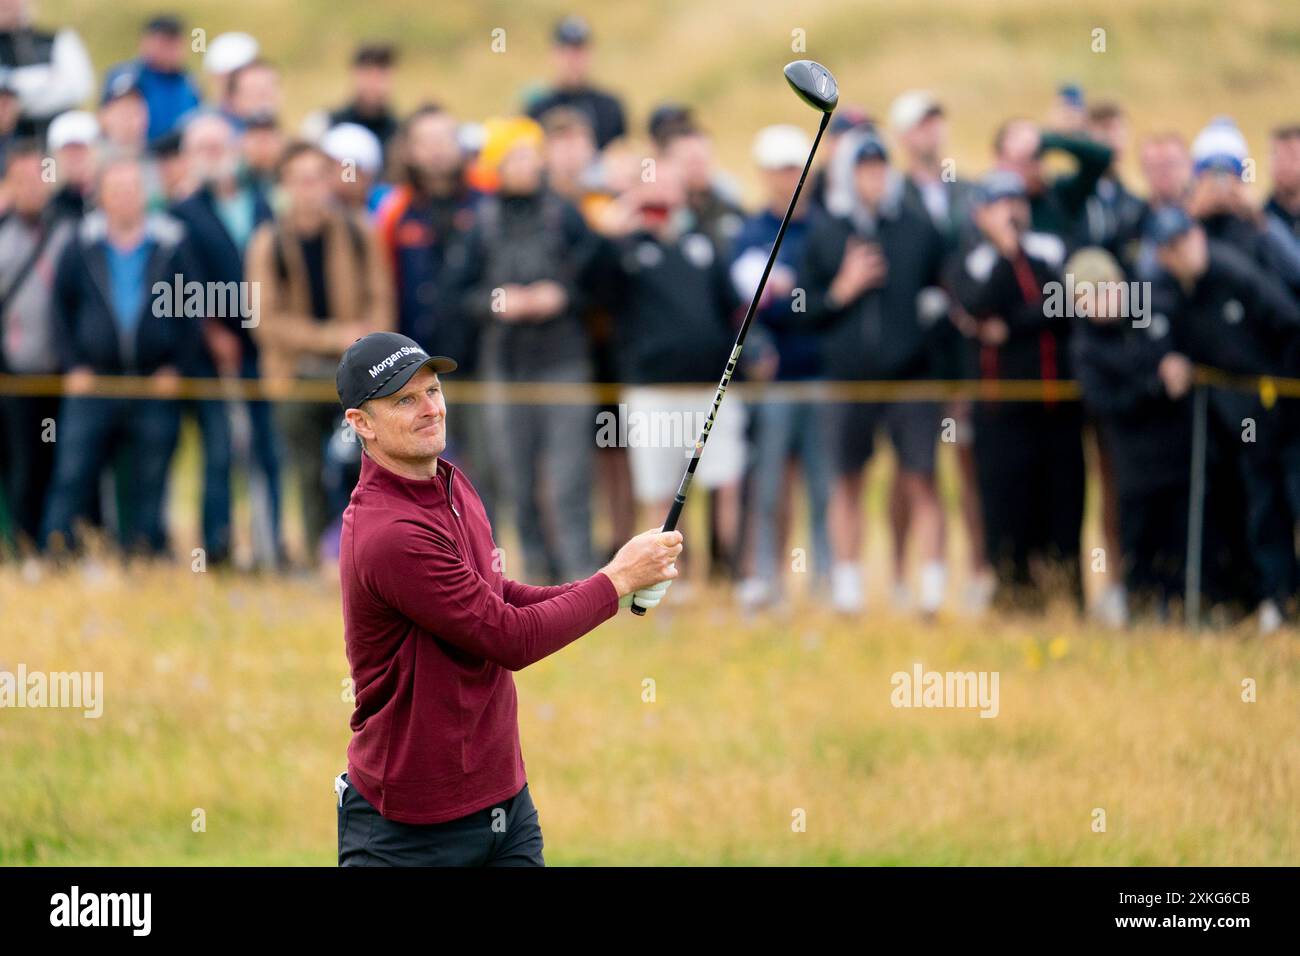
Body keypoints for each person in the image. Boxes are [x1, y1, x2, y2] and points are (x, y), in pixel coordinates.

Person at [333, 331, 679, 866]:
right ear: (361, 424)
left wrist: (618, 583)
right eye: (405, 400)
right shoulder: (389, 532)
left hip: (504, 806)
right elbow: (507, 637)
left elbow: (496, 596)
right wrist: (614, 581)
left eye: (433, 391)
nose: (430, 409)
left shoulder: (452, 484)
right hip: (408, 830)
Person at [800, 131, 948, 615]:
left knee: (921, 478)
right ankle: (848, 585)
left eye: (881, 168)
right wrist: (842, 290)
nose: (874, 178)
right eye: (864, 169)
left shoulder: (916, 226)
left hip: (912, 378)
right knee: (847, 480)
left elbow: (945, 294)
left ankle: (927, 586)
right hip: (848, 379)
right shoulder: (826, 232)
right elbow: (802, 309)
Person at [449, 116, 601, 584]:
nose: (525, 165)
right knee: (515, 479)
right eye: (513, 156)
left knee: (569, 478)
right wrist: (500, 303)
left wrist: (563, 296)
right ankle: (534, 572)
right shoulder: (481, 224)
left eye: (530, 155)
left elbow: (600, 278)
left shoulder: (567, 215)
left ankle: (579, 574)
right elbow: (459, 292)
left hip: (564, 365)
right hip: (505, 369)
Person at [1148, 207, 1300, 631]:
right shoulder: (1174, 291)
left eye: (1186, 240)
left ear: (1198, 236)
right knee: (1260, 506)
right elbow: (1174, 341)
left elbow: (1289, 323)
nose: (1183, 252)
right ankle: (1276, 597)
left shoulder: (1236, 274)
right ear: (1162, 256)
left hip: (1280, 410)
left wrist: (1278, 394)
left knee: (1290, 499)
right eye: (1171, 248)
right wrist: (1174, 360)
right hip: (1238, 418)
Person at [41, 155, 200, 556]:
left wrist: (176, 367)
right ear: (102, 197)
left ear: (144, 195)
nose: (126, 198)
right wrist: (73, 365)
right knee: (73, 473)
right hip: (93, 382)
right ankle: (55, 553)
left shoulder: (172, 243)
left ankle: (145, 555)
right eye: (117, 191)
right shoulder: (79, 243)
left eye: (133, 189)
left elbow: (192, 312)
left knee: (152, 476)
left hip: (153, 383)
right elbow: (59, 311)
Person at [247, 141, 393, 566]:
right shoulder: (267, 242)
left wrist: (368, 344)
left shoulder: (358, 231)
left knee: (363, 469)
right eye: (299, 180)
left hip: (358, 376)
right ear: (285, 186)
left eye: (316, 178)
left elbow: (380, 298)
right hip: (294, 375)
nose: (309, 188)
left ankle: (365, 559)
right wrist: (335, 336)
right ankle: (319, 559)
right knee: (306, 471)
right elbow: (265, 321)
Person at [598, 160, 744, 586]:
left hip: (710, 388)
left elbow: (731, 306)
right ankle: (664, 581)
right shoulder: (623, 250)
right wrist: (612, 232)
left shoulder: (703, 243)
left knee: (724, 481)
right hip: (652, 391)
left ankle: (726, 573)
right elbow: (595, 288)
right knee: (660, 493)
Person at [947, 170, 1084, 611]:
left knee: (1062, 508)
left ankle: (1068, 595)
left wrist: (1012, 325)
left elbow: (1060, 309)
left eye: (1016, 201)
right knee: (1007, 508)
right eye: (999, 203)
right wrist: (1007, 256)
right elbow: (976, 304)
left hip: (1055, 410)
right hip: (1000, 415)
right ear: (979, 214)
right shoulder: (967, 261)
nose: (1011, 211)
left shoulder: (1047, 255)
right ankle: (1014, 597)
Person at [889, 89, 992, 612]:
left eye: (936, 122)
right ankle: (902, 577)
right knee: (913, 471)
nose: (931, 132)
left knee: (969, 467)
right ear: (905, 137)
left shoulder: (968, 193)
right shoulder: (893, 196)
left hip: (963, 356)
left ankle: (978, 573)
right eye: (920, 125)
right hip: (912, 358)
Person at [171, 112, 282, 568]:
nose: (213, 156)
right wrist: (210, 330)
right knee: (220, 452)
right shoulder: (181, 214)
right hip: (212, 358)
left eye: (219, 146)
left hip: (263, 351)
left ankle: (270, 545)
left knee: (268, 450)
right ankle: (216, 549)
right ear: (189, 157)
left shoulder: (264, 205)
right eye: (202, 148)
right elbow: (179, 283)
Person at [730, 124, 831, 610]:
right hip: (773, 382)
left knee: (825, 489)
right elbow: (746, 305)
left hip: (823, 375)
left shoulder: (827, 228)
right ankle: (766, 582)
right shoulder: (751, 233)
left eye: (794, 167)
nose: (787, 178)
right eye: (778, 169)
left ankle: (826, 584)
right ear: (764, 174)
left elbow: (825, 301)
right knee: (768, 487)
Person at [1070, 246, 1192, 622]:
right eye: (1087, 297)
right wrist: (1156, 385)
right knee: (1138, 535)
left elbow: (1189, 346)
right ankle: (1139, 606)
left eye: (1105, 290)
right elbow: (1106, 402)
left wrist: (1180, 366)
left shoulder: (1157, 308)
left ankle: (1185, 604)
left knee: (1183, 531)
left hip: (1179, 450)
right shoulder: (1086, 346)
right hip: (1133, 462)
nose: (1100, 303)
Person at [0, 140, 76, 550]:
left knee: (67, 465)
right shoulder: (3, 237)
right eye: (22, 179)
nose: (32, 187)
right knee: (24, 465)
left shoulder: (69, 230)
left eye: (40, 177)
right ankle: (24, 545)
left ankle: (63, 544)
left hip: (66, 375)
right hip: (17, 379)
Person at [992, 115, 1113, 249]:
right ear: (1000, 162)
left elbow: (1103, 156)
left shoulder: (1060, 196)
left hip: (1066, 270)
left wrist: (1046, 139)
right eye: (1021, 161)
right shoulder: (987, 204)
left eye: (1037, 156)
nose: (1033, 165)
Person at [525, 15, 626, 151]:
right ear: (553, 54)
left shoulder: (610, 107)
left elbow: (620, 156)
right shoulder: (537, 109)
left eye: (579, 51)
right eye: (566, 52)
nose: (573, 60)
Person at [0, 0, 94, 138]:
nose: (7, 4)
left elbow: (80, 88)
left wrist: (16, 95)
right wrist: (45, 79)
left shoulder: (58, 40)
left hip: (54, 140)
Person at [103, 14, 202, 143]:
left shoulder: (190, 83)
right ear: (146, 42)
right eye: (163, 42)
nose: (169, 49)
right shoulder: (128, 78)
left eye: (174, 43)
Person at [306, 42, 400, 167]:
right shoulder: (325, 125)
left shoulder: (400, 133)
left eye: (380, 75)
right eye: (368, 74)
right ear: (354, 75)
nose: (373, 84)